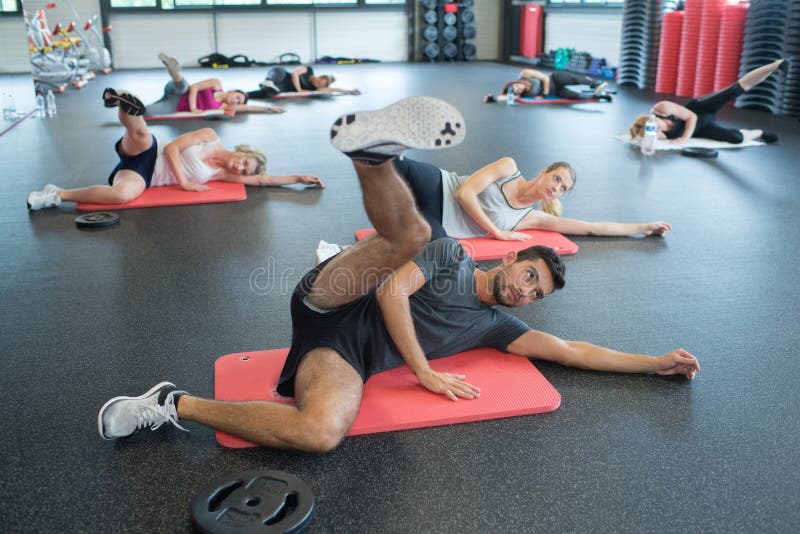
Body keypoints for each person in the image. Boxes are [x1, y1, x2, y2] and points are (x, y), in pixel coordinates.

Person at [97, 96, 699, 453]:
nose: (526, 290)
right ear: (514, 258)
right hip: (333, 296)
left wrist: (653, 364)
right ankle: (372, 154)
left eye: (536, 293)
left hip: (338, 354)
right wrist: (424, 371)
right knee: (414, 236)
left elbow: (572, 351)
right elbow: (392, 290)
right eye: (530, 276)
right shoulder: (459, 260)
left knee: (322, 434)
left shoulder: (495, 326)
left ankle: (172, 403)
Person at [316, 154, 671, 263]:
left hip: (438, 223)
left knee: (425, 245)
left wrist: (642, 226)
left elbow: (592, 227)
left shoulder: (532, 217)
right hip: (441, 185)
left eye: (564, 187)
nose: (557, 186)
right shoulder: (508, 167)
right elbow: (465, 193)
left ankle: (337, 253)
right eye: (557, 177)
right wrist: (497, 231)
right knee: (399, 164)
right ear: (545, 170)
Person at [26, 89, 323, 210]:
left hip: (141, 174)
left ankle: (57, 194)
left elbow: (263, 181)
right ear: (244, 152)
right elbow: (173, 150)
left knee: (122, 195)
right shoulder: (209, 135)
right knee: (141, 133)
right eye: (245, 162)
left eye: (245, 170)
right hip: (152, 151)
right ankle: (122, 103)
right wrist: (184, 182)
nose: (241, 168)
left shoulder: (223, 176)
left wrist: (299, 178)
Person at [629, 59, 787, 145]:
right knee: (736, 139)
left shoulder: (662, 108)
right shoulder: (657, 134)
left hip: (700, 109)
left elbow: (692, 117)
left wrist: (684, 139)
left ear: (653, 119)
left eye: (656, 127)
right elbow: (645, 141)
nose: (660, 130)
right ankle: (760, 133)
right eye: (655, 132)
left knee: (735, 89)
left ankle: (775, 65)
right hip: (702, 128)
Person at [145, 53, 284, 115]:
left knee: (146, 112)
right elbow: (194, 87)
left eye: (238, 101)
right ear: (233, 91)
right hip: (178, 91)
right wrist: (193, 108)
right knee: (183, 86)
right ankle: (173, 69)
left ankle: (127, 104)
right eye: (237, 96)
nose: (235, 100)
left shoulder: (224, 106)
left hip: (174, 106)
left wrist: (270, 109)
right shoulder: (216, 83)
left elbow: (250, 108)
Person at [484, 68, 611, 103]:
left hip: (554, 79)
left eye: (516, 86)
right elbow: (507, 97)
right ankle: (600, 96)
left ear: (516, 82)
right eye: (516, 90)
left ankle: (595, 84)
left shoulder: (525, 74)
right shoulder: (520, 94)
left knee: (574, 79)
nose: (518, 89)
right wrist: (493, 98)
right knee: (576, 96)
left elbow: (544, 78)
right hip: (555, 93)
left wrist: (544, 94)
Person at [245, 65, 359, 100]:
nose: (318, 84)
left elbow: (333, 90)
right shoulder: (309, 70)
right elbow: (295, 74)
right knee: (279, 71)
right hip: (282, 75)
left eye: (320, 85)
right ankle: (268, 81)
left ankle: (246, 95)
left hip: (281, 87)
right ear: (319, 77)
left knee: (269, 93)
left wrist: (349, 91)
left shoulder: (314, 88)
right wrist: (299, 90)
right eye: (319, 81)